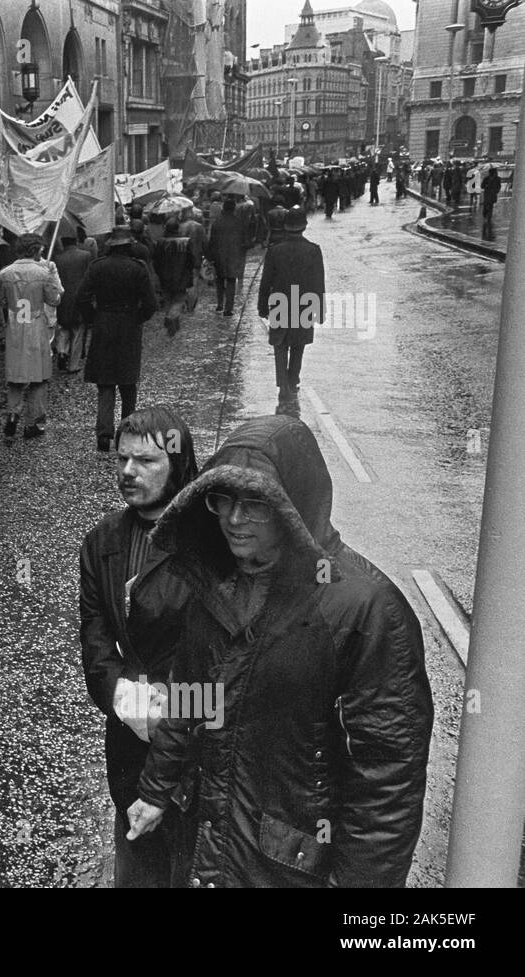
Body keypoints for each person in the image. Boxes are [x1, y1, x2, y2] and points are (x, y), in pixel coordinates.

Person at [124, 416, 434, 888]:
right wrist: (156, 790)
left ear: (293, 506)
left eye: (256, 504)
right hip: (210, 850)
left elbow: (386, 779)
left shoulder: (363, 609)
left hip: (294, 869)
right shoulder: (213, 581)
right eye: (222, 499)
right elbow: (190, 697)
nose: (233, 518)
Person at [79, 407, 198, 886]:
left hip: (195, 733)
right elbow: (95, 637)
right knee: (136, 852)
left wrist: (172, 708)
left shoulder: (208, 541)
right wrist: (129, 703)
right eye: (122, 460)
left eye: (145, 461)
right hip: (130, 736)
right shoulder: (102, 540)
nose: (128, 472)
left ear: (177, 463)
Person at [78, 227, 159, 452]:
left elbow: (81, 297)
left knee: (105, 382)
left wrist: (93, 318)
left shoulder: (97, 267)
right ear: (128, 246)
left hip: (103, 324)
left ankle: (104, 435)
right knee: (127, 381)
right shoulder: (138, 268)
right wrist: (137, 319)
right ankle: (127, 430)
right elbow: (151, 304)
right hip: (129, 326)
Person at [258, 207, 323, 419]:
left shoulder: (275, 251)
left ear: (286, 227)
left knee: (280, 344)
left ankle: (283, 385)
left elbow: (266, 281)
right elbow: (318, 283)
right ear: (304, 226)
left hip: (279, 302)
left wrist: (262, 306)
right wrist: (320, 309)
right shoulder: (314, 250)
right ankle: (293, 380)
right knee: (298, 345)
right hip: (305, 303)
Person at [0, 234, 63, 441]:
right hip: (35, 326)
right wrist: (52, 278)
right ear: (36, 250)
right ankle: (33, 422)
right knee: (38, 377)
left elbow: (1, 300)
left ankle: (12, 415)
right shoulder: (43, 273)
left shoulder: (5, 273)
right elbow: (54, 300)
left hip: (15, 326)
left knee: (16, 378)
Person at [53, 234, 93, 374]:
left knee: (63, 327)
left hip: (63, 296)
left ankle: (62, 351)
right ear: (76, 241)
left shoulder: (57, 258)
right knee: (78, 331)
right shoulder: (86, 255)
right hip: (79, 297)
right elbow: (90, 276)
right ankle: (73, 365)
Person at [154, 219, 197, 338]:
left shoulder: (160, 242)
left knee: (168, 299)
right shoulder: (185, 242)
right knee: (179, 300)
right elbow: (191, 260)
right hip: (181, 277)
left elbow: (156, 261)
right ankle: (172, 317)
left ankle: (172, 321)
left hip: (165, 277)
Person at [206, 196, 246, 318]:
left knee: (219, 280)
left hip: (219, 255)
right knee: (231, 281)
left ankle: (219, 304)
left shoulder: (217, 222)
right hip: (234, 255)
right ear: (234, 208)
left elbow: (212, 241)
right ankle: (228, 308)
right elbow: (243, 240)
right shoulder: (238, 222)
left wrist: (210, 257)